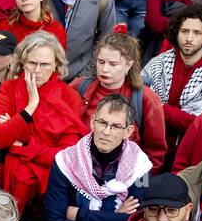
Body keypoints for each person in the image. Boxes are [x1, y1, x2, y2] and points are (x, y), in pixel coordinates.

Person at [44, 94, 152, 221]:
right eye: (102, 122)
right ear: (92, 122)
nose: (106, 131)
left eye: (116, 126)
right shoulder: (65, 161)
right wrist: (115, 219)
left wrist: (78, 214)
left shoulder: (141, 168)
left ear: (128, 131)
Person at [0, 31, 86, 209]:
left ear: (56, 64)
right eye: (33, 63)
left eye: (45, 64)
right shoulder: (9, 89)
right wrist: (30, 106)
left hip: (52, 182)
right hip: (9, 178)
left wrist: (25, 147)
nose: (38, 71)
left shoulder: (69, 97)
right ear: (23, 63)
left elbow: (65, 154)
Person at [72, 30, 168, 169]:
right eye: (101, 62)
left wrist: (140, 184)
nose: (104, 69)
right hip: (78, 166)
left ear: (128, 65)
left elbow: (155, 152)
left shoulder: (146, 99)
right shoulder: (78, 86)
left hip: (124, 174)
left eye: (113, 64)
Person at [143, 6, 202, 143]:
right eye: (184, 31)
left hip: (189, 145)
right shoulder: (159, 62)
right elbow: (137, 96)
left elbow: (198, 121)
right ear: (176, 33)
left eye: (197, 33)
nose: (189, 38)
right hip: (150, 138)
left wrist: (157, 107)